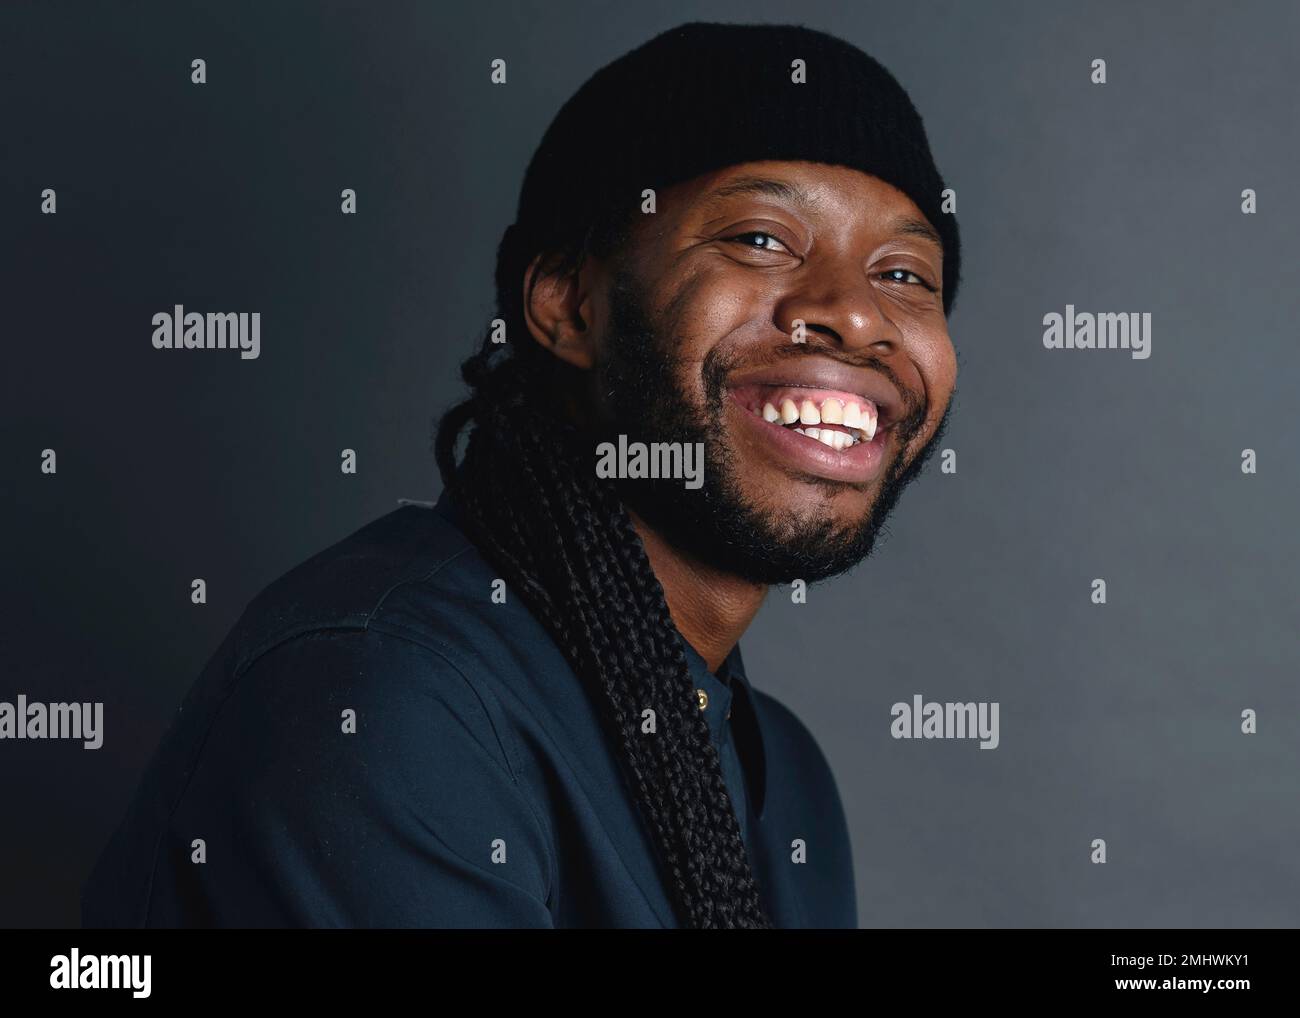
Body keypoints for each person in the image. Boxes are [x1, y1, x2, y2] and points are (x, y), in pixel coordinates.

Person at [82, 19, 961, 929]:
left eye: (905, 273)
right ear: (568, 306)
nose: (856, 316)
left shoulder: (786, 778)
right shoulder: (390, 693)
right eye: (761, 239)